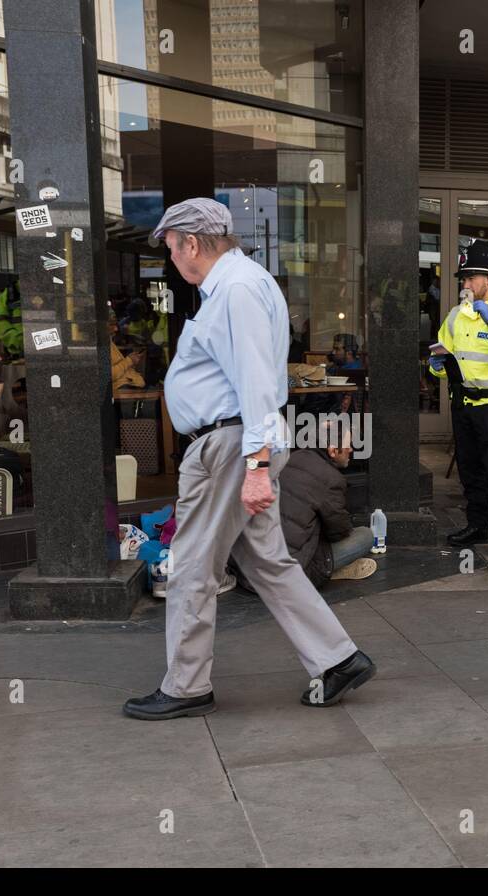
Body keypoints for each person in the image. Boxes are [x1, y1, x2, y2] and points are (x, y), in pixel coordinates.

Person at [123, 197, 375, 720]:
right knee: (267, 561)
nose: (171, 258)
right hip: (236, 444)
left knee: (193, 565)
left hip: (230, 446)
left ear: (192, 243)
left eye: (171, 247)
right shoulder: (240, 284)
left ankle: (186, 685)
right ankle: (338, 659)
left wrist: (257, 465)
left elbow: (257, 381)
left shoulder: (235, 290)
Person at [428, 239, 488, 557]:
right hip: (463, 404)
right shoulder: (455, 316)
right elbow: (446, 359)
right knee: (470, 471)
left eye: (470, 278)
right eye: (463, 279)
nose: (465, 285)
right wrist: (437, 365)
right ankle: (478, 525)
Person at [277, 421, 376, 586]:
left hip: (259, 568)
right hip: (292, 573)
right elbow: (340, 531)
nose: (351, 449)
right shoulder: (331, 479)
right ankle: (331, 570)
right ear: (332, 450)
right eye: (347, 445)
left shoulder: (291, 458)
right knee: (365, 535)